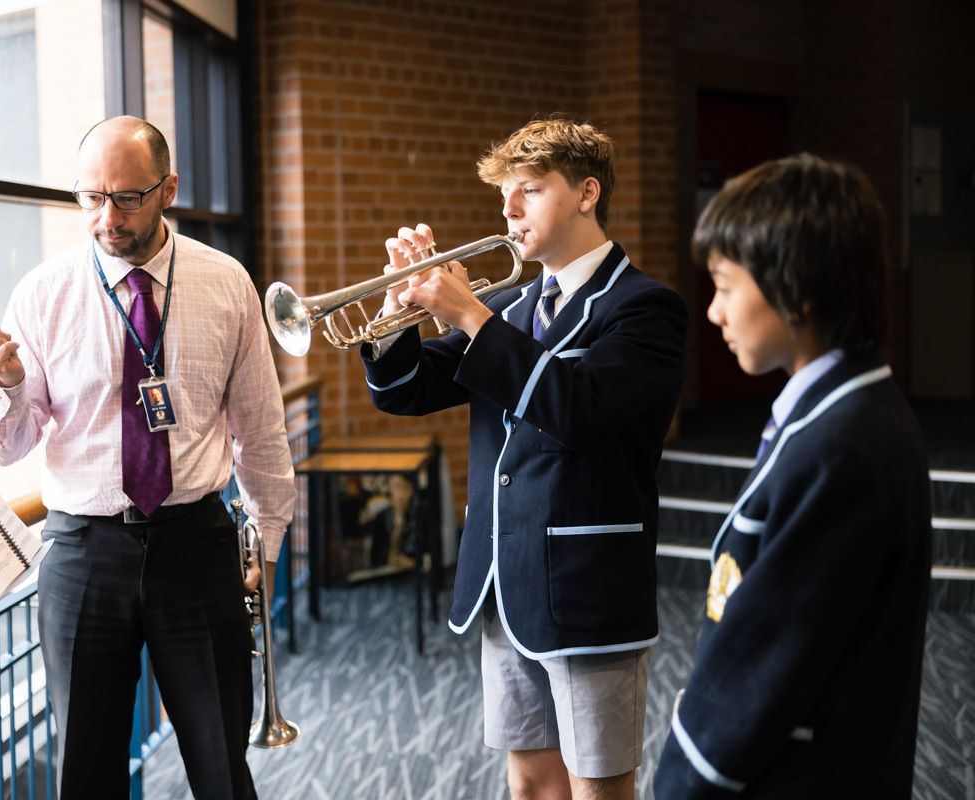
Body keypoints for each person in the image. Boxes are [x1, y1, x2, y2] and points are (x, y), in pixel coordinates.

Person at [0, 116, 295, 800]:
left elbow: (259, 429)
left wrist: (270, 539)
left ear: (168, 189)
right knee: (85, 772)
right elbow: (6, 448)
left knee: (220, 766)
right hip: (82, 552)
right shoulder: (43, 293)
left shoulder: (227, 283)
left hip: (197, 543)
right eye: (90, 197)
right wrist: (2, 383)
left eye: (127, 197)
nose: (105, 217)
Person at [359, 117, 687, 800]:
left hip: (587, 583)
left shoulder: (645, 308)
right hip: (503, 582)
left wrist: (472, 319)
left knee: (599, 788)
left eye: (529, 191)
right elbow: (407, 391)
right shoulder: (510, 304)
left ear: (587, 192)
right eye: (504, 193)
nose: (508, 211)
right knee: (531, 783)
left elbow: (579, 408)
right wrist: (397, 314)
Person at [652, 154, 932, 798]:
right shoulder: (841, 411)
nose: (714, 313)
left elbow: (762, 671)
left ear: (798, 288)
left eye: (724, 285)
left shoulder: (840, 447)